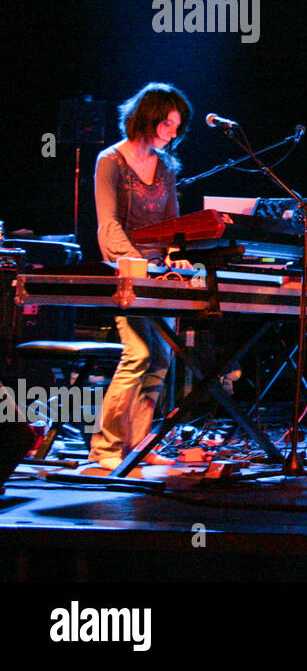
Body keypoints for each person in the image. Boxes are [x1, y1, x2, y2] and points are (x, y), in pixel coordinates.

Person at [89, 82, 193, 471]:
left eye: (176, 126)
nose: (171, 133)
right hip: (126, 268)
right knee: (138, 353)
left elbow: (172, 224)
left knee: (162, 356)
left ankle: (137, 445)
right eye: (166, 123)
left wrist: (175, 257)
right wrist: (139, 264)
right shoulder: (110, 161)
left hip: (158, 273)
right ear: (146, 118)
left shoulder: (165, 167)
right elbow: (108, 224)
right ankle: (105, 450)